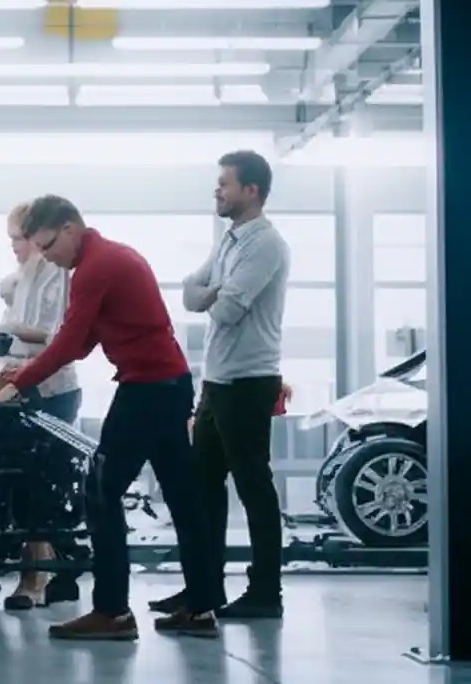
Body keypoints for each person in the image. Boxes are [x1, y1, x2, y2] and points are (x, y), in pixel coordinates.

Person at [0, 195, 220, 640]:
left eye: (49, 246)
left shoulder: (95, 266)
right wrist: (22, 371)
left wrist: (18, 382)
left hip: (146, 389)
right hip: (167, 384)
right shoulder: (110, 257)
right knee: (183, 496)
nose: (48, 257)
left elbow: (70, 341)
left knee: (100, 490)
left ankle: (112, 611)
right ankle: (201, 604)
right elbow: (86, 337)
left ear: (70, 228)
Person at [151, 150, 290, 620]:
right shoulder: (231, 241)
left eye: (224, 184)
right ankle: (203, 590)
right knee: (204, 485)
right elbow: (190, 291)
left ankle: (266, 592)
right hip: (216, 381)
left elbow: (227, 308)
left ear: (251, 190)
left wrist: (216, 294)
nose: (217, 191)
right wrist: (217, 292)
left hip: (249, 381)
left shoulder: (266, 244)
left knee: (254, 486)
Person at [0, 201, 81, 610]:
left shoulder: (61, 278)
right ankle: (41, 574)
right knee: (19, 485)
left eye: (20, 240)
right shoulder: (20, 280)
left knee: (37, 487)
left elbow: (59, 336)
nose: (15, 248)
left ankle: (33, 580)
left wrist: (12, 331)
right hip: (22, 387)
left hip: (53, 390)